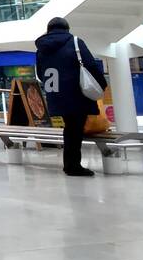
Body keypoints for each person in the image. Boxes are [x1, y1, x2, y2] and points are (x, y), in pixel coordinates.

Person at [35, 16, 107, 178]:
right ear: (66, 28)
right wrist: (101, 85)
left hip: (56, 93)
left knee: (71, 127)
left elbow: (40, 73)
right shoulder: (74, 42)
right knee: (74, 128)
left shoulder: (41, 48)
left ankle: (71, 164)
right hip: (76, 93)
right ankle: (73, 166)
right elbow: (91, 65)